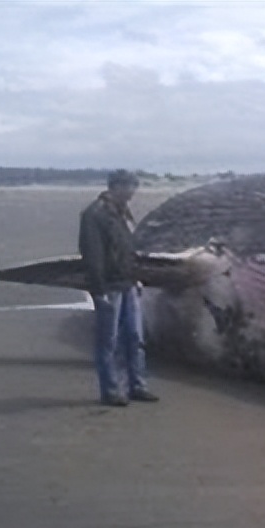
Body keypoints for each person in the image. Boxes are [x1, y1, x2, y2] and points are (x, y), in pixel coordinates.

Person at [78, 169, 159, 406]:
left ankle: (137, 385)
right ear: (116, 187)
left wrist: (137, 277)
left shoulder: (124, 213)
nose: (133, 193)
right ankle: (111, 390)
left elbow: (128, 251)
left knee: (135, 337)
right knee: (108, 341)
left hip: (128, 283)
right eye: (130, 187)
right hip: (110, 287)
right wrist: (98, 289)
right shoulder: (94, 215)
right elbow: (92, 256)